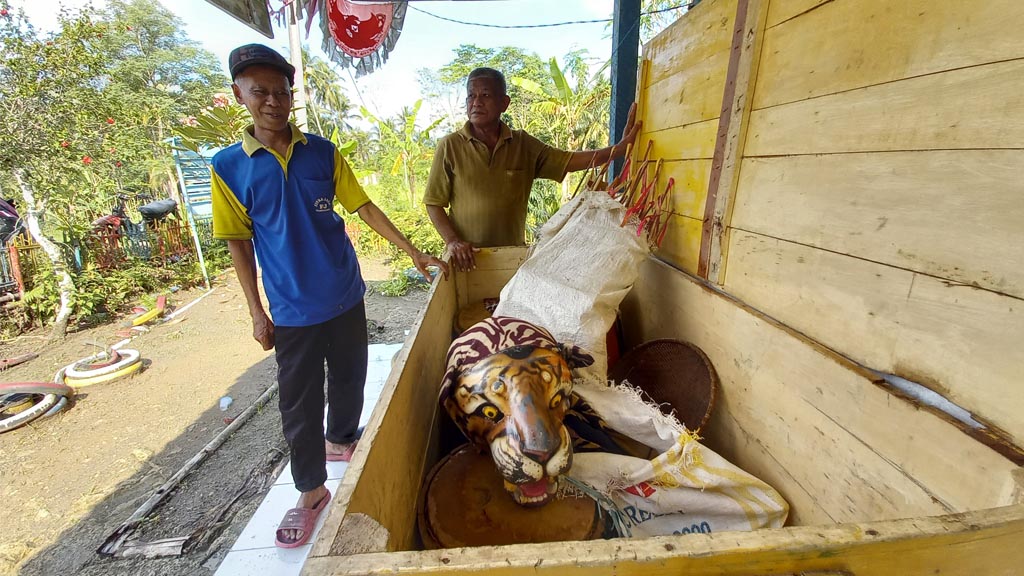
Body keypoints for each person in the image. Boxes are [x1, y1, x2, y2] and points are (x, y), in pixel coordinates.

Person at [210, 44, 448, 549]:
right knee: (298, 403)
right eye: (259, 92)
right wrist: (256, 311)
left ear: (291, 93)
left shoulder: (322, 151)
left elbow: (363, 206)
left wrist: (412, 251)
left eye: (281, 92)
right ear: (239, 94)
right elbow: (238, 242)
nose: (273, 101)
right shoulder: (228, 166)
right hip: (292, 307)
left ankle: (340, 440)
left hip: (344, 291)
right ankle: (311, 490)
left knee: (350, 375)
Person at [423, 67, 641, 271]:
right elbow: (433, 203)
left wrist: (618, 150)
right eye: (471, 95)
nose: (476, 102)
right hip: (466, 260)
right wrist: (453, 241)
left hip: (512, 259)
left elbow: (569, 161)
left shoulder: (523, 144)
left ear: (504, 103)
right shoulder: (450, 145)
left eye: (485, 95)